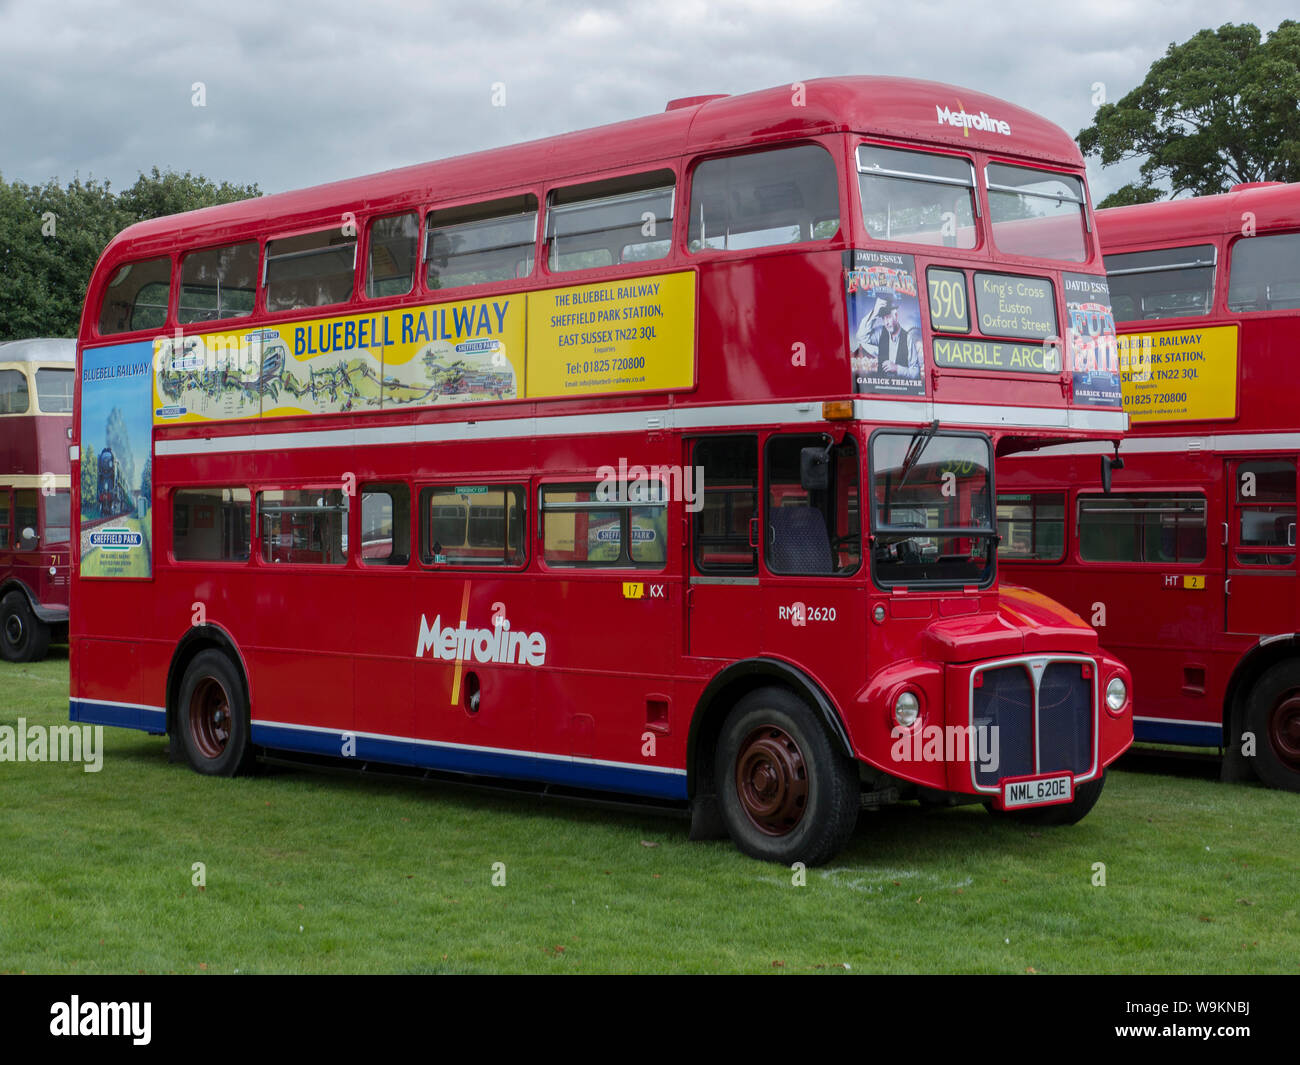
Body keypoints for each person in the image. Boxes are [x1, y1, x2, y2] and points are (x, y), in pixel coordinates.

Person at [855, 296, 921, 378]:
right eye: (883, 318)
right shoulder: (880, 332)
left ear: (896, 316)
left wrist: (897, 368)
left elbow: (916, 373)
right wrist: (874, 313)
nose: (886, 323)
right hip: (878, 389)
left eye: (888, 317)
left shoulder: (908, 339)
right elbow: (861, 336)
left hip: (901, 390)